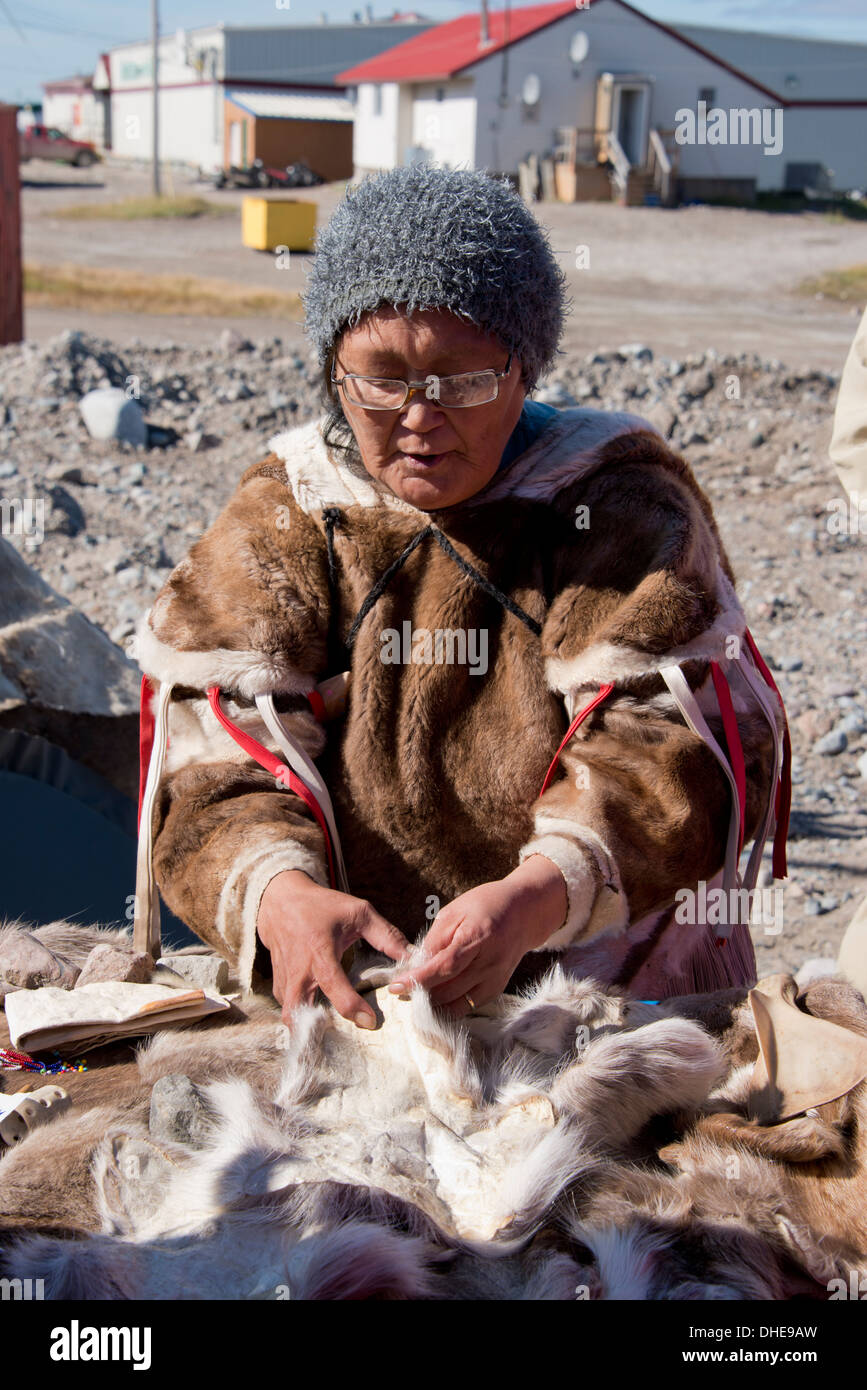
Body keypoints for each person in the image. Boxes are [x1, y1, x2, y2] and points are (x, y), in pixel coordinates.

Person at [133, 165, 781, 1030]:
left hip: (597, 975)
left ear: (525, 368)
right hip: (355, 985)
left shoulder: (610, 501)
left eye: (462, 381)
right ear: (333, 371)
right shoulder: (295, 508)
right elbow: (212, 750)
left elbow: (672, 749)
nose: (419, 417)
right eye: (379, 379)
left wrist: (539, 894)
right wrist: (279, 896)